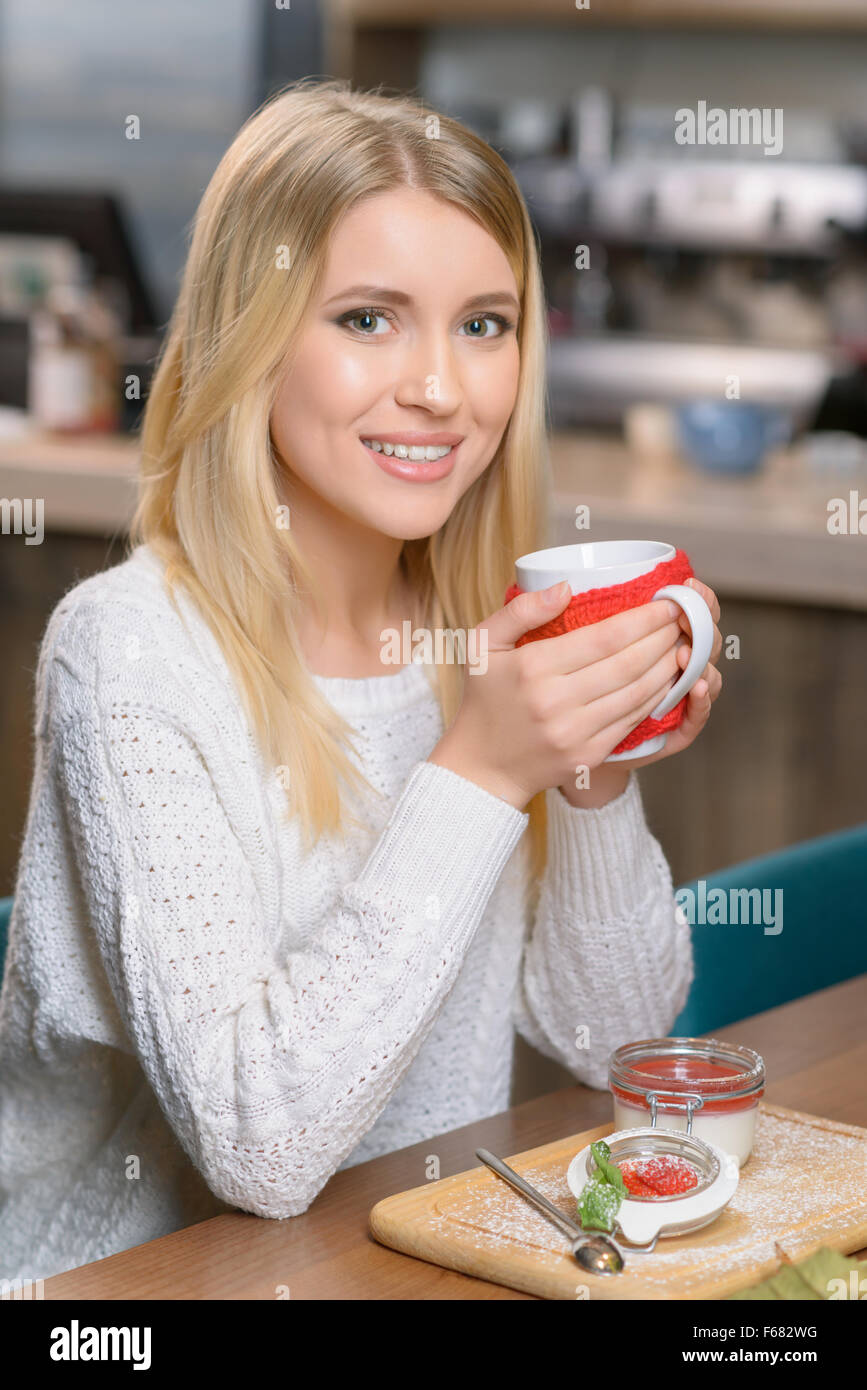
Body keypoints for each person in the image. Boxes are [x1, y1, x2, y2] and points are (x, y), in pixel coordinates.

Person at [0, 79, 722, 1281]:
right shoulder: (126, 653)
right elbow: (259, 1150)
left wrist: (589, 765)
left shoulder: (474, 640)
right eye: (370, 319)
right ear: (252, 333)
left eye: (484, 325)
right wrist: (486, 768)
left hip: (395, 1270)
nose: (442, 388)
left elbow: (615, 1038)